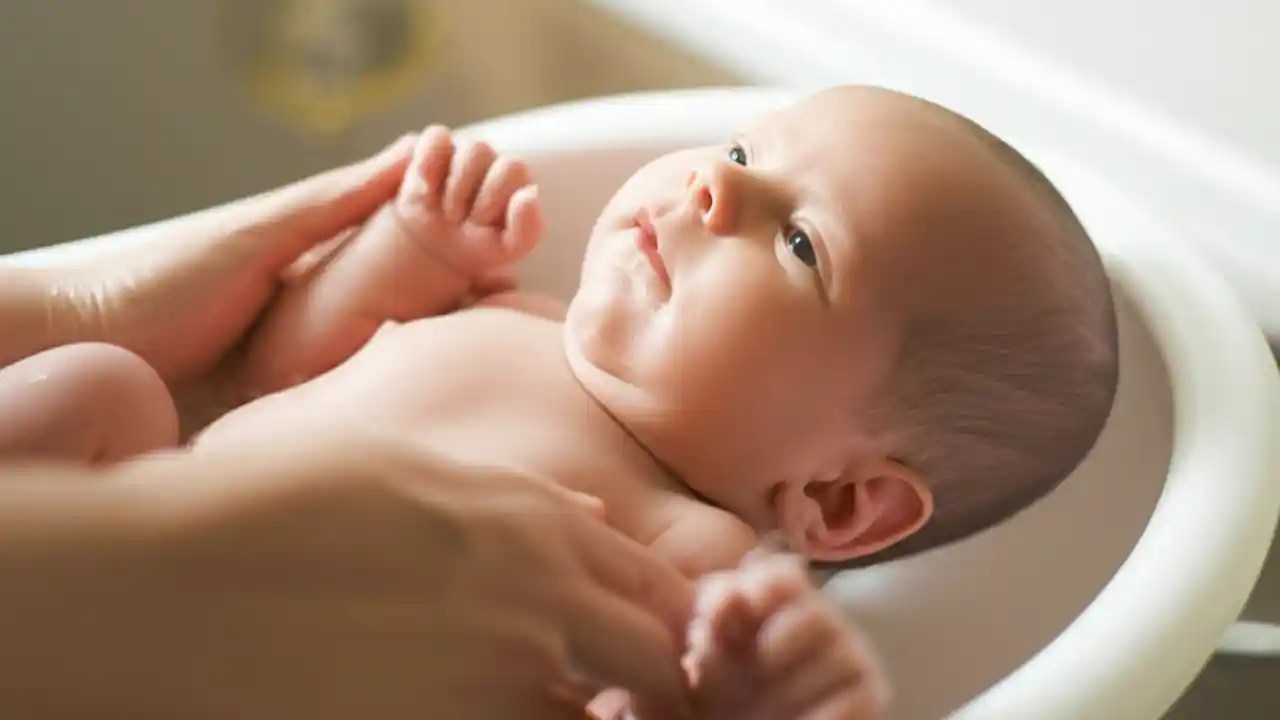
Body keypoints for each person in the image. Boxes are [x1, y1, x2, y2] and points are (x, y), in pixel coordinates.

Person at [0, 140, 698, 719]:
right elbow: (278, 372)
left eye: (780, 238)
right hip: (136, 535)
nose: (711, 185)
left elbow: (645, 677)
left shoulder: (696, 532)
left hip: (285, 683)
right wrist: (417, 246)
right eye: (738, 151)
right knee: (100, 386)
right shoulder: (518, 313)